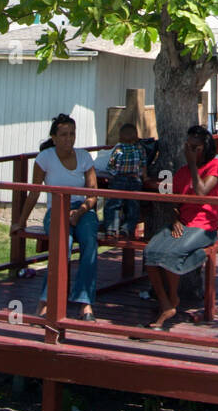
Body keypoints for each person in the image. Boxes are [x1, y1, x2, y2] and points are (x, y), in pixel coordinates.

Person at [11, 113, 99, 321]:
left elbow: (93, 194)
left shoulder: (85, 157)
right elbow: (34, 192)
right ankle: (46, 301)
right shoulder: (45, 158)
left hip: (83, 209)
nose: (69, 139)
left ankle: (85, 303)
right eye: (64, 135)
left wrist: (79, 212)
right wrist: (21, 222)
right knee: (62, 245)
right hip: (57, 208)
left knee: (90, 243)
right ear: (54, 137)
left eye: (72, 134)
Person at [145, 125, 218, 329]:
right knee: (151, 251)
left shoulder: (215, 165)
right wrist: (175, 219)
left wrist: (192, 164)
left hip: (204, 225)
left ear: (205, 148)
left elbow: (201, 192)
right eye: (188, 146)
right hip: (183, 223)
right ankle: (166, 302)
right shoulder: (181, 172)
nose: (191, 151)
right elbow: (173, 198)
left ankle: (172, 300)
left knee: (173, 252)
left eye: (196, 147)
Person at [103, 123, 147, 238]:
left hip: (119, 179)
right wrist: (143, 176)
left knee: (114, 204)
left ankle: (112, 229)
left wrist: (112, 175)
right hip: (134, 179)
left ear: (120, 137)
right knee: (133, 206)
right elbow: (143, 164)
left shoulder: (118, 149)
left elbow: (111, 165)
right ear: (136, 137)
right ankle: (127, 229)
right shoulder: (140, 148)